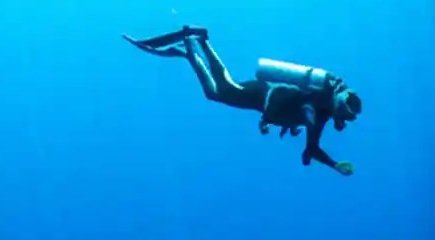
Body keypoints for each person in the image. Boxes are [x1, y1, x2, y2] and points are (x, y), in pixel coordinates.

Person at [124, 25, 360, 176]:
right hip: (263, 94)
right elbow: (307, 110)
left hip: (264, 101)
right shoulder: (318, 103)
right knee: (224, 90)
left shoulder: (322, 114)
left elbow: (311, 149)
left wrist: (334, 165)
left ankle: (191, 50)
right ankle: (199, 42)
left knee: (216, 93)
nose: (342, 118)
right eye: (344, 112)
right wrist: (305, 124)